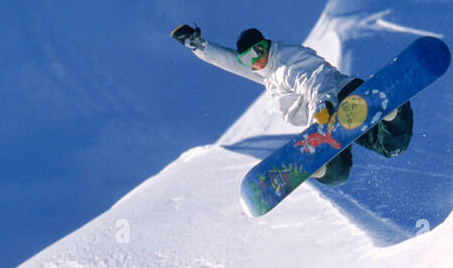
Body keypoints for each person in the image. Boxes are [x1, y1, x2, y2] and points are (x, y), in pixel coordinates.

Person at [171, 24, 413, 186]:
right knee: (342, 174)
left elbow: (313, 78)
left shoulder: (283, 62)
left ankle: (387, 112)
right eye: (249, 57)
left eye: (259, 50)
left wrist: (323, 106)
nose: (257, 58)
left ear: (267, 44)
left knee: (391, 148)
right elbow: (231, 62)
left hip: (337, 102)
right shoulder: (267, 72)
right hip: (330, 113)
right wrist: (199, 47)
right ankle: (386, 117)